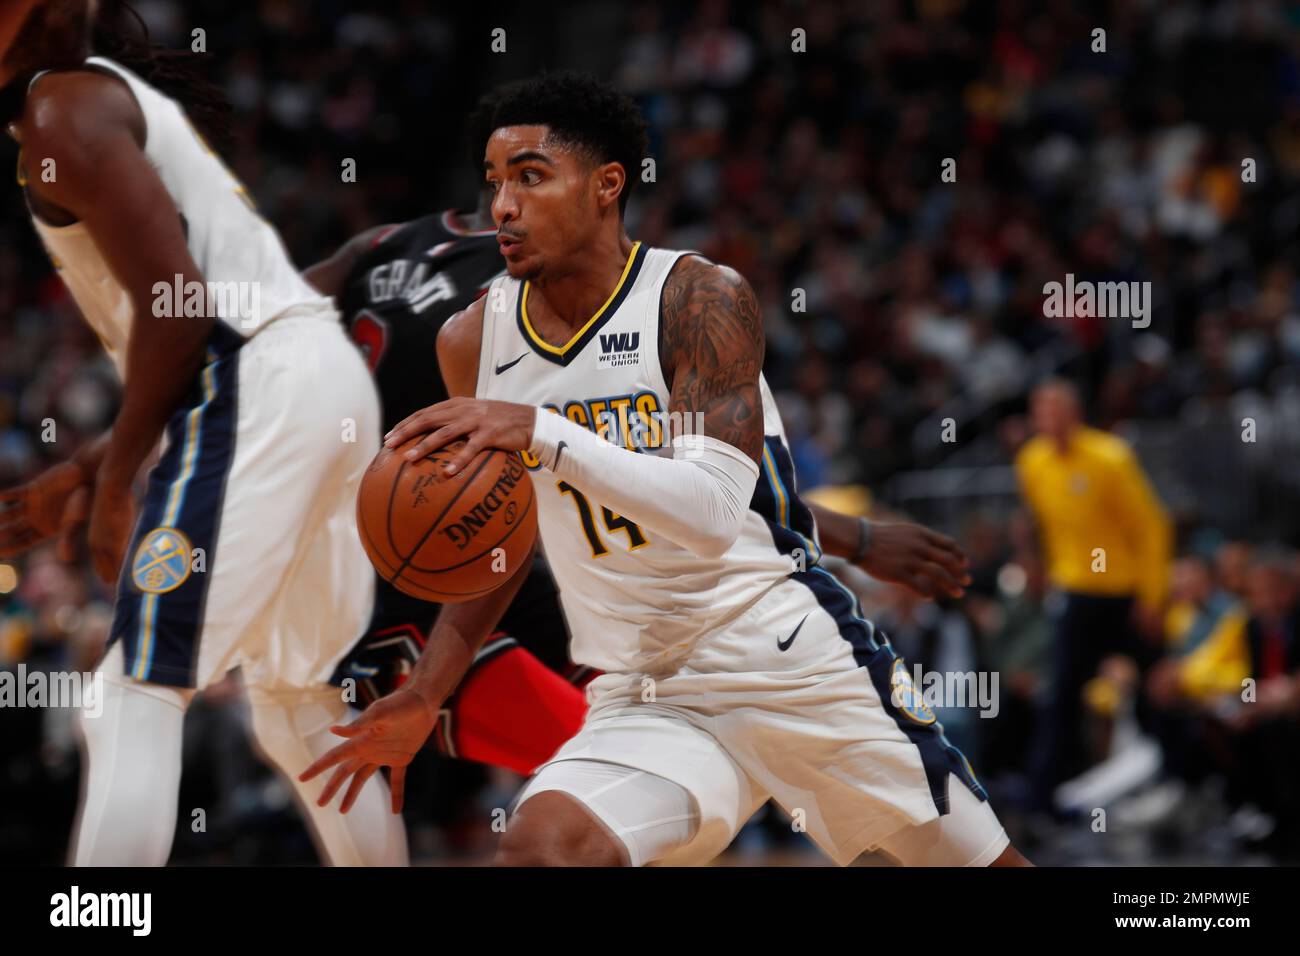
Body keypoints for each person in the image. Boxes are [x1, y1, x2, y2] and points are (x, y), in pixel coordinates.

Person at [303, 71, 1027, 868]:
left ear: (607, 184)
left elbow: (716, 512)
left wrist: (542, 430)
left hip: (792, 660)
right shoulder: (470, 341)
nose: (503, 207)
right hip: (648, 690)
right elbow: (501, 538)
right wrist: (426, 692)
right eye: (495, 182)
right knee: (541, 851)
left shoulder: (698, 300)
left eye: (531, 177)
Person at [0, 0, 405, 865]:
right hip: (308, 378)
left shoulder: (58, 112)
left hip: (256, 381)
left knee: (132, 692)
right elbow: (200, 320)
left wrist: (114, 490)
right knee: (300, 708)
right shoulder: (81, 101)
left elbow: (179, 314)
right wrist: (91, 464)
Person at [1016, 378, 1173, 812]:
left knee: (1157, 690)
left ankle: (1176, 786)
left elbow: (1151, 527)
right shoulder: (1031, 462)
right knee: (1062, 696)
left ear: (1076, 413)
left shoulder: (1110, 456)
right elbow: (1042, 526)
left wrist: (1153, 597)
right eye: (1041, 412)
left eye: (1057, 410)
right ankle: (1043, 805)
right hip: (1075, 593)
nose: (1049, 420)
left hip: (1125, 593)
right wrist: (1041, 571)